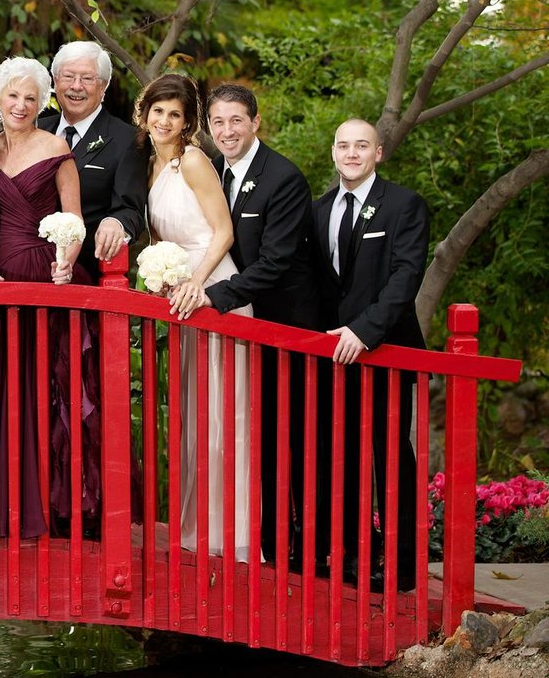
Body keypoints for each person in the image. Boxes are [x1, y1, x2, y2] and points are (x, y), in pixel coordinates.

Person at [168, 83, 321, 568]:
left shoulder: (283, 178)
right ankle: (270, 546)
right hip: (237, 323)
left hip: (285, 323)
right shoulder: (216, 171)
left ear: (256, 122)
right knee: (253, 433)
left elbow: (275, 262)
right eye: (218, 123)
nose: (227, 131)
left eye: (237, 121)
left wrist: (210, 295)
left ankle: (306, 553)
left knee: (292, 436)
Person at [0, 57, 99, 539]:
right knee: (3, 388)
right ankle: (1, 502)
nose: (21, 105)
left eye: (30, 98)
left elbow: (73, 218)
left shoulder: (57, 148)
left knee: (48, 390)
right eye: (12, 96)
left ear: (42, 102)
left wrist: (66, 260)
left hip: (47, 280)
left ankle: (50, 503)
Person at [138, 73, 252, 561]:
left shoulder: (193, 162)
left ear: (188, 124)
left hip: (215, 288)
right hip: (185, 298)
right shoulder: (153, 167)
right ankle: (198, 531)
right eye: (158, 111)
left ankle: (235, 537)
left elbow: (223, 232)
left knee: (227, 415)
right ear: (146, 114)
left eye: (175, 114)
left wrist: (196, 283)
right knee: (196, 415)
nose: (164, 121)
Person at [312, 118, 427, 592]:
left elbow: (405, 278)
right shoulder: (318, 211)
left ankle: (403, 566)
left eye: (362, 146)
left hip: (388, 351)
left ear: (378, 153)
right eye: (344, 146)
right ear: (334, 153)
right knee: (344, 456)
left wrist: (365, 331)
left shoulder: (404, 205)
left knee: (391, 454)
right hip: (331, 357)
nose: (352, 153)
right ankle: (356, 557)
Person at [39, 41, 147, 280]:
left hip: (86, 272)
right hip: (26, 264)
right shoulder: (37, 128)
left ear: (103, 86)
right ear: (55, 81)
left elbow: (130, 209)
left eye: (87, 78)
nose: (76, 86)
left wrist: (115, 223)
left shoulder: (127, 140)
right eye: (68, 76)